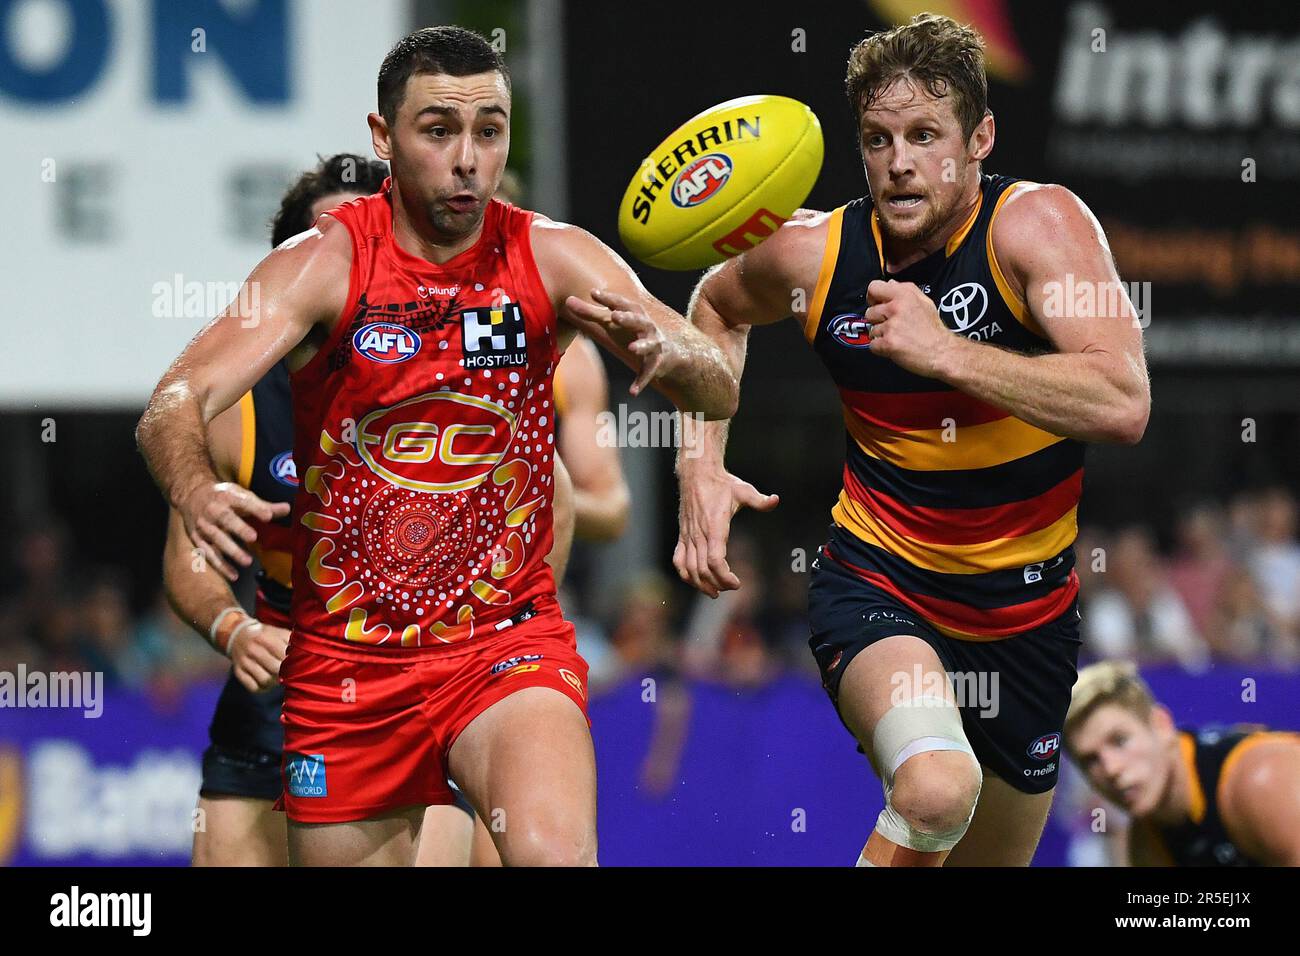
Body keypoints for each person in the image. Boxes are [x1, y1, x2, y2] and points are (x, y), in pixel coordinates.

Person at [137, 26, 736, 867]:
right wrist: (197, 488)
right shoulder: (321, 265)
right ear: (384, 139)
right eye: (439, 130)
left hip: (503, 644)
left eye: (489, 132)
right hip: (345, 664)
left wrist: (689, 364)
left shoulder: (555, 255)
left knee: (551, 855)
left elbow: (716, 382)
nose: (467, 160)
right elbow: (172, 400)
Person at [674, 13, 1150, 866]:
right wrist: (700, 463)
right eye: (878, 138)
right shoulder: (818, 256)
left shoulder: (1036, 227)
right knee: (934, 790)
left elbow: (1121, 399)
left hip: (1026, 621)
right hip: (880, 583)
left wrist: (947, 353)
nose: (899, 162)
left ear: (979, 140)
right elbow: (715, 304)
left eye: (925, 135)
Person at [1064, 660, 1300, 866]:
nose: (1111, 768)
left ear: (1161, 725)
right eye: (1090, 760)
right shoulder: (1147, 841)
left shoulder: (1264, 783)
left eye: (1120, 740)